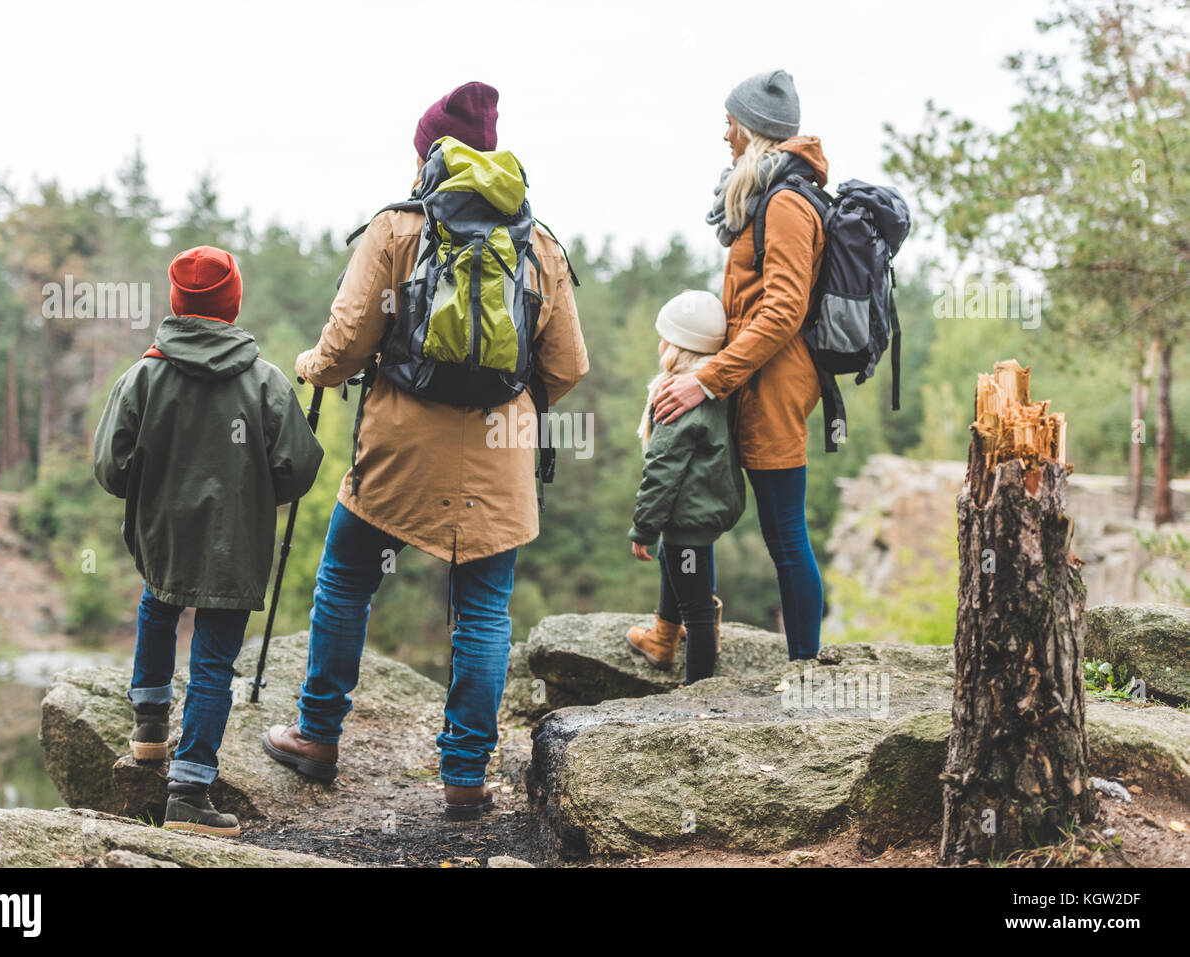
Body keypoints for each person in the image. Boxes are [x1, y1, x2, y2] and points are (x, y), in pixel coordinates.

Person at [262, 81, 589, 820]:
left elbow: (346, 347)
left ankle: (317, 736)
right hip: (500, 456)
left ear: (429, 153)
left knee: (346, 578)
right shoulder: (538, 241)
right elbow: (567, 366)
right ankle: (465, 776)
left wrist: (311, 366)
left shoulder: (397, 229)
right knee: (483, 610)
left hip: (398, 450)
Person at [93, 245, 324, 837]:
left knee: (157, 602)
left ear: (177, 303)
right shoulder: (267, 382)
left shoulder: (143, 376)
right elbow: (297, 470)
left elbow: (111, 468)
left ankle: (148, 727)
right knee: (215, 663)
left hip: (162, 536)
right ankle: (189, 792)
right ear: (233, 304)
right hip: (234, 544)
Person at [652, 69, 827, 663]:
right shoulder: (762, 194)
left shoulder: (785, 204)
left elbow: (782, 311)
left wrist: (705, 378)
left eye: (731, 121)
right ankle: (669, 634)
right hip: (743, 381)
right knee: (691, 508)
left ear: (752, 129)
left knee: (784, 535)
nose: (724, 133)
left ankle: (805, 668)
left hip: (773, 388)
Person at [626, 290, 744, 684]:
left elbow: (662, 469)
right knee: (674, 564)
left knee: (696, 609)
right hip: (700, 520)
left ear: (679, 348)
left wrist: (643, 527)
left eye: (664, 338)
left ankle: (699, 693)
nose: (659, 344)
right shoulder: (713, 389)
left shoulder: (677, 397)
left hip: (688, 521)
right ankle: (662, 640)